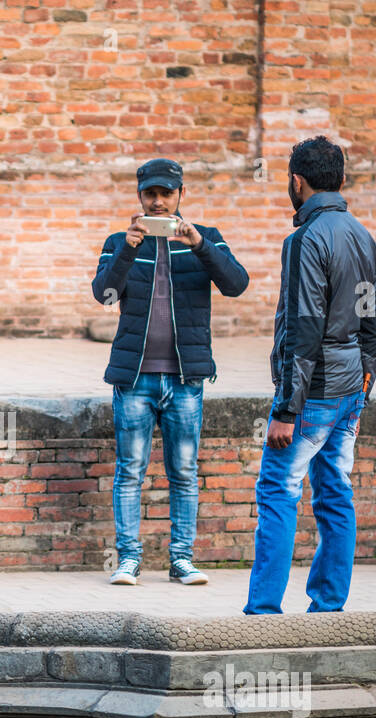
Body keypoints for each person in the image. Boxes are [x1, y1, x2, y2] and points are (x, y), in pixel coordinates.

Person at [92, 158, 249, 586]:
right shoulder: (119, 241)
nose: (158, 202)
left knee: (183, 471)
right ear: (139, 196)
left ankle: (181, 559)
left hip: (185, 379)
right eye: (150, 194)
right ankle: (128, 560)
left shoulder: (207, 239)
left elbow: (236, 284)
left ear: (181, 196)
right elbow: (104, 295)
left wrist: (200, 245)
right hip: (135, 377)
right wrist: (128, 248)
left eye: (166, 194)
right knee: (130, 470)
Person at [244, 136, 376, 614]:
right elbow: (372, 323)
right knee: (335, 494)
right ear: (341, 181)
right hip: (348, 391)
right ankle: (328, 607)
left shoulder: (304, 240)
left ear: (296, 182)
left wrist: (286, 409)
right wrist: (364, 386)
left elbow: (304, 329)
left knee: (278, 492)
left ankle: (263, 612)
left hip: (312, 395)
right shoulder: (363, 236)